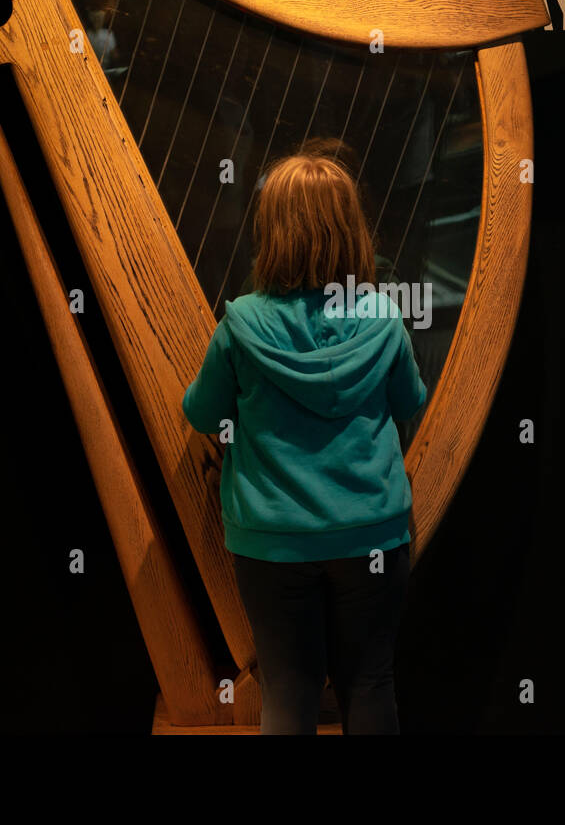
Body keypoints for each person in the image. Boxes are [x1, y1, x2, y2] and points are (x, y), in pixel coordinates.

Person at [182, 151, 426, 734]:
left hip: (272, 541)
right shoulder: (384, 319)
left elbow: (200, 411)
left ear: (272, 230)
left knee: (287, 691)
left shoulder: (240, 324)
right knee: (369, 683)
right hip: (371, 534)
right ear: (351, 229)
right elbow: (411, 404)